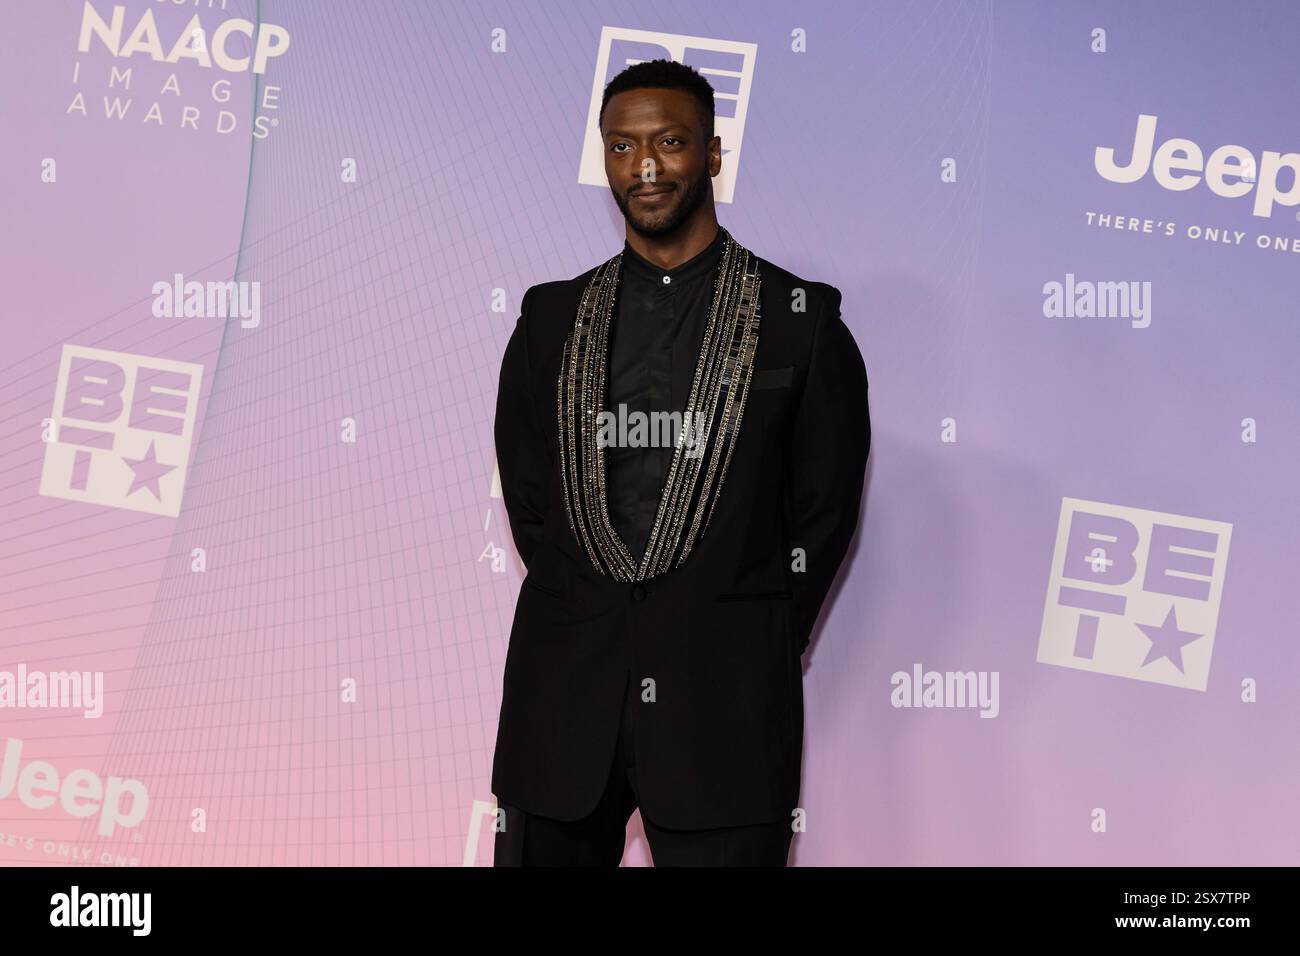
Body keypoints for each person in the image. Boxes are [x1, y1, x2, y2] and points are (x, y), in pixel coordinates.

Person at [491, 58, 870, 866]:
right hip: (559, 710)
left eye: (669, 141)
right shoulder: (549, 321)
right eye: (622, 148)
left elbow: (823, 515)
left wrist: (745, 631)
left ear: (713, 153)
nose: (647, 167)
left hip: (725, 716)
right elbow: (531, 503)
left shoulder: (799, 324)